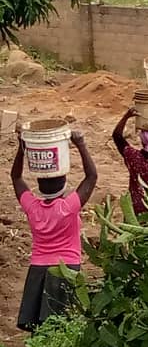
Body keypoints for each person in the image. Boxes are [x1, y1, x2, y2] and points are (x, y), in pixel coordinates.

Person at [12, 129, 97, 333]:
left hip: (38, 269)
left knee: (38, 328)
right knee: (61, 327)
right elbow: (91, 176)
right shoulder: (67, 207)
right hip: (65, 268)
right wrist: (81, 144)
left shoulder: (33, 207)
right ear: (64, 185)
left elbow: (16, 177)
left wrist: (22, 149)